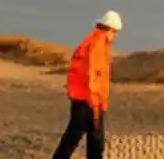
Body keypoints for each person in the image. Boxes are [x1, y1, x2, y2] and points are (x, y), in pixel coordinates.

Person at [51, 10, 122, 159]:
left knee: (79, 140)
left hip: (80, 98)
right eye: (115, 32)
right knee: (88, 142)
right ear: (109, 30)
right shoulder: (98, 46)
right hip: (89, 102)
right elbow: (94, 77)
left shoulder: (90, 41)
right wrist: (96, 106)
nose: (115, 37)